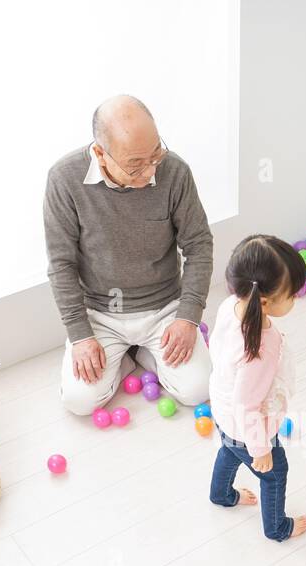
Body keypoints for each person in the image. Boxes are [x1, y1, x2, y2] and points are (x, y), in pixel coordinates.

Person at [43, 94, 214, 415]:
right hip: (100, 312)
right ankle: (126, 355)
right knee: (79, 402)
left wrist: (188, 317)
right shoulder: (63, 179)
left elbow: (199, 245)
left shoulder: (174, 172)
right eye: (135, 164)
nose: (150, 170)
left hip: (163, 306)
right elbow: (60, 265)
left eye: (155, 154)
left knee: (198, 390)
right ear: (100, 153)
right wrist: (80, 336)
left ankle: (140, 354)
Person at [206, 235, 306, 541]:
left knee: (228, 450)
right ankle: (277, 527)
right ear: (264, 301)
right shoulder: (259, 347)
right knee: (274, 474)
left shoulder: (230, 305)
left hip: (223, 410)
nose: (295, 299)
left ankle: (221, 494)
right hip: (248, 428)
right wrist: (261, 450)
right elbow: (247, 405)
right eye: (292, 295)